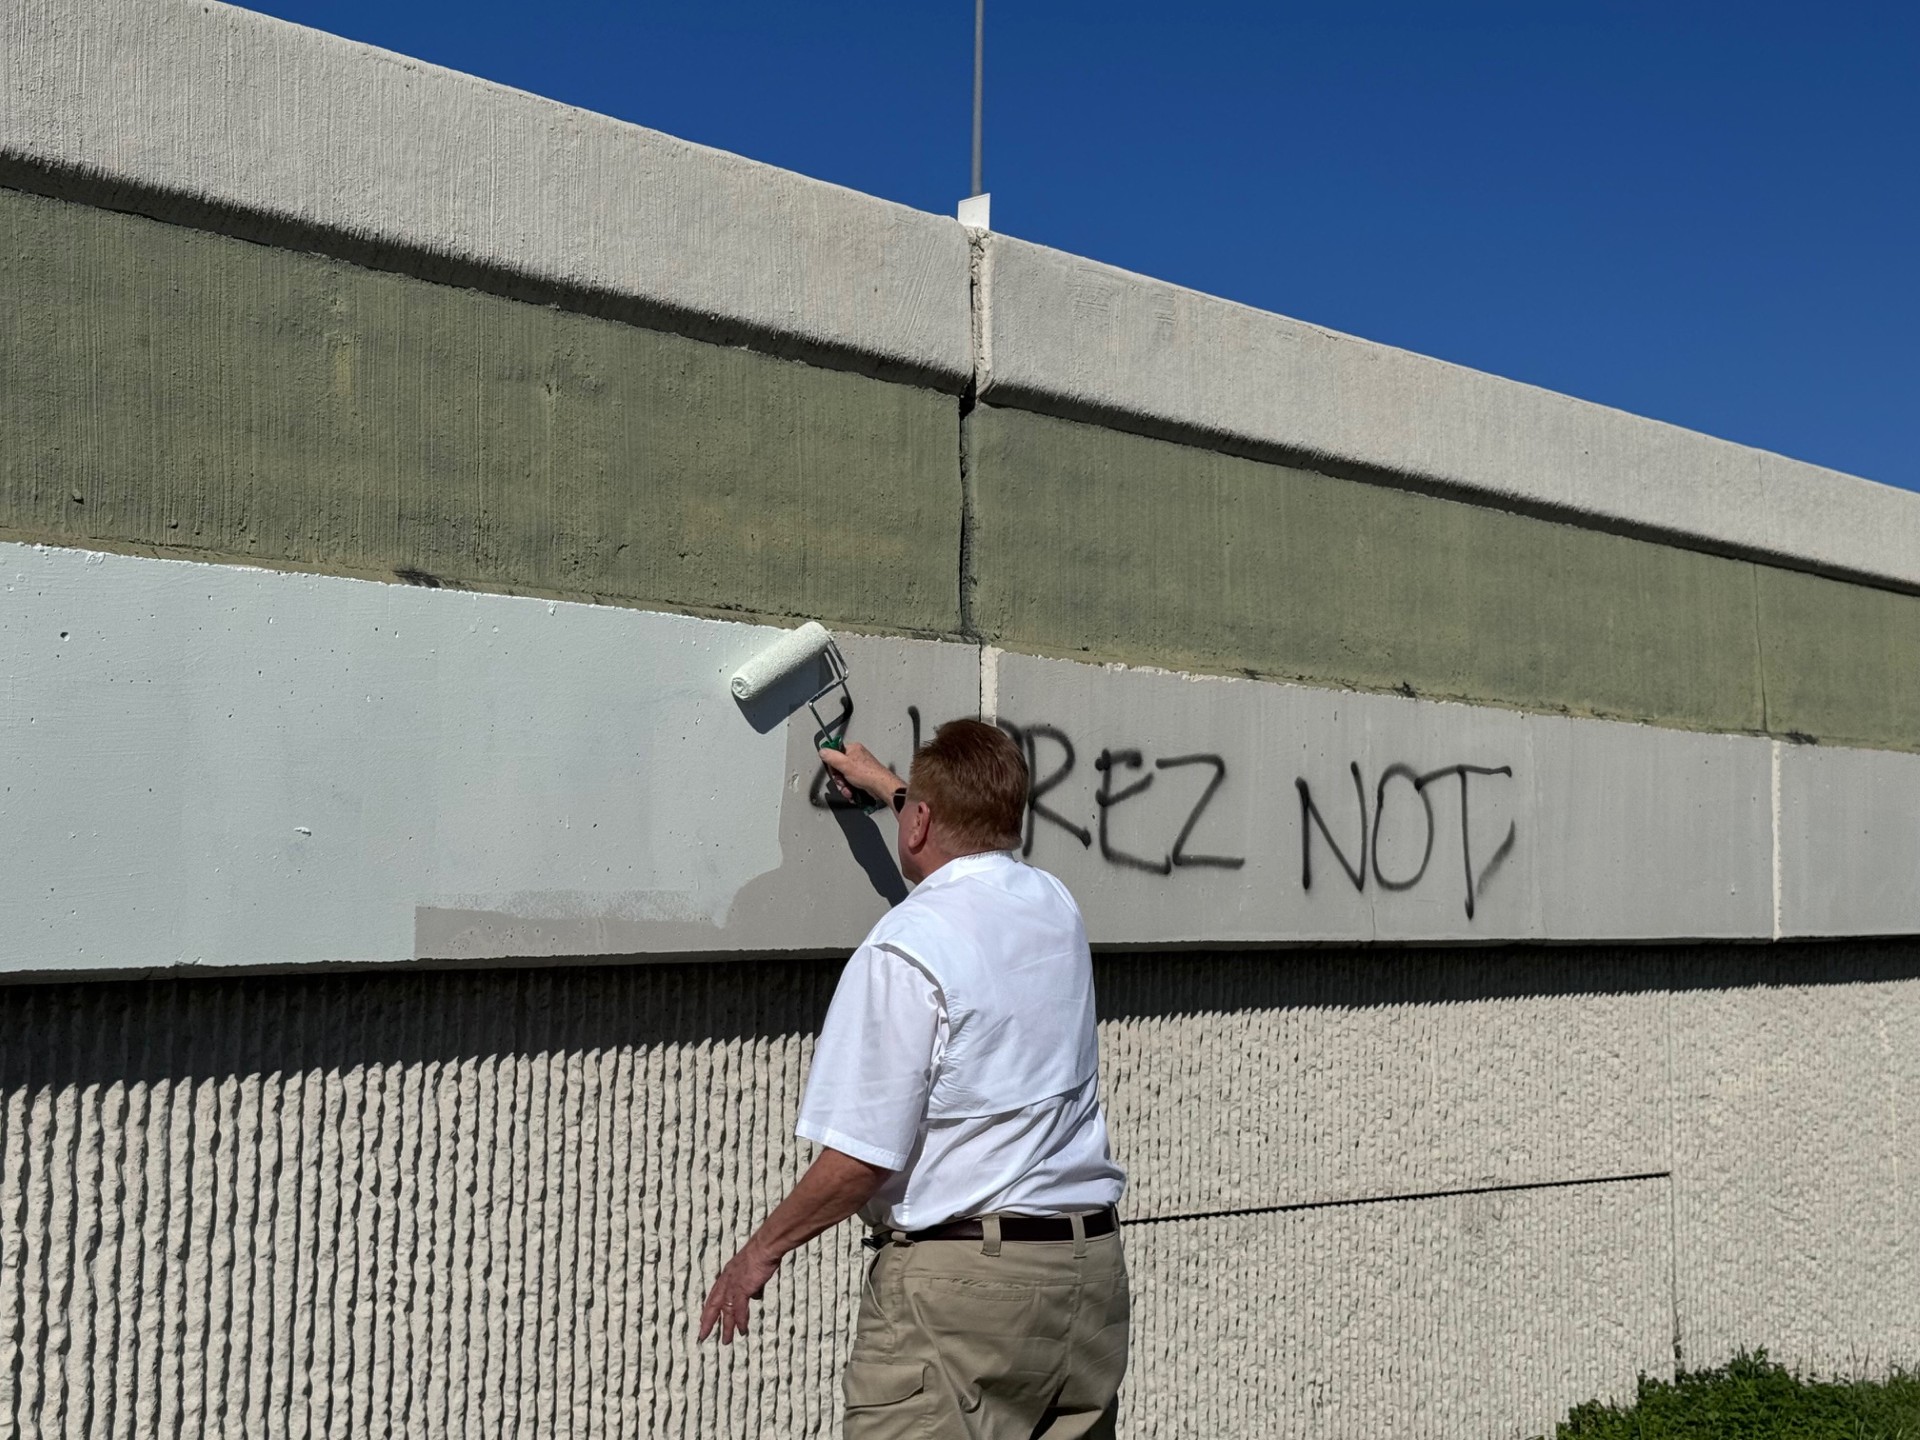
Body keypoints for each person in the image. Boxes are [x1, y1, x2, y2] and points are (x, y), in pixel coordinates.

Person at [699, 718, 1129, 1439]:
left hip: (965, 1299)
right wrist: (888, 785)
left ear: (922, 821)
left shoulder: (905, 948)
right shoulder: (1055, 906)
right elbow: (966, 830)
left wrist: (757, 1253)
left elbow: (860, 1159)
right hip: (1087, 1287)